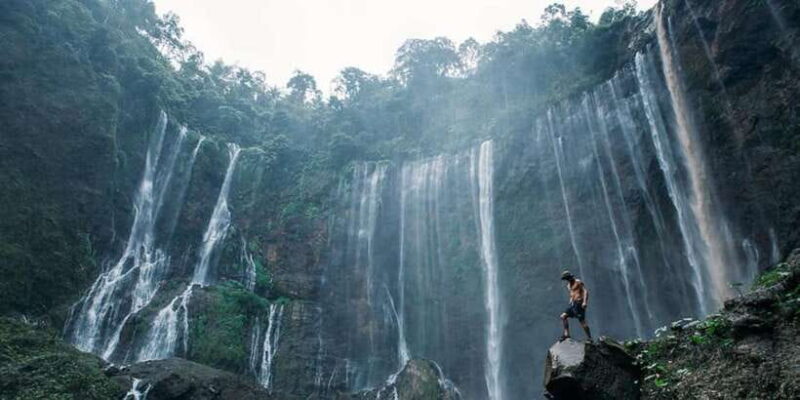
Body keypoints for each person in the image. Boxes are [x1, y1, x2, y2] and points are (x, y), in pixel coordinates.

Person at [559, 270, 592, 341]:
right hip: (573, 304)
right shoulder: (568, 285)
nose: (567, 280)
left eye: (567, 278)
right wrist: (571, 299)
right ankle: (567, 334)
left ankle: (589, 337)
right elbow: (572, 293)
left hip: (579, 304)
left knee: (582, 321)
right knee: (563, 316)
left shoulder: (578, 282)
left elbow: (585, 291)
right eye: (566, 279)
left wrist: (584, 302)